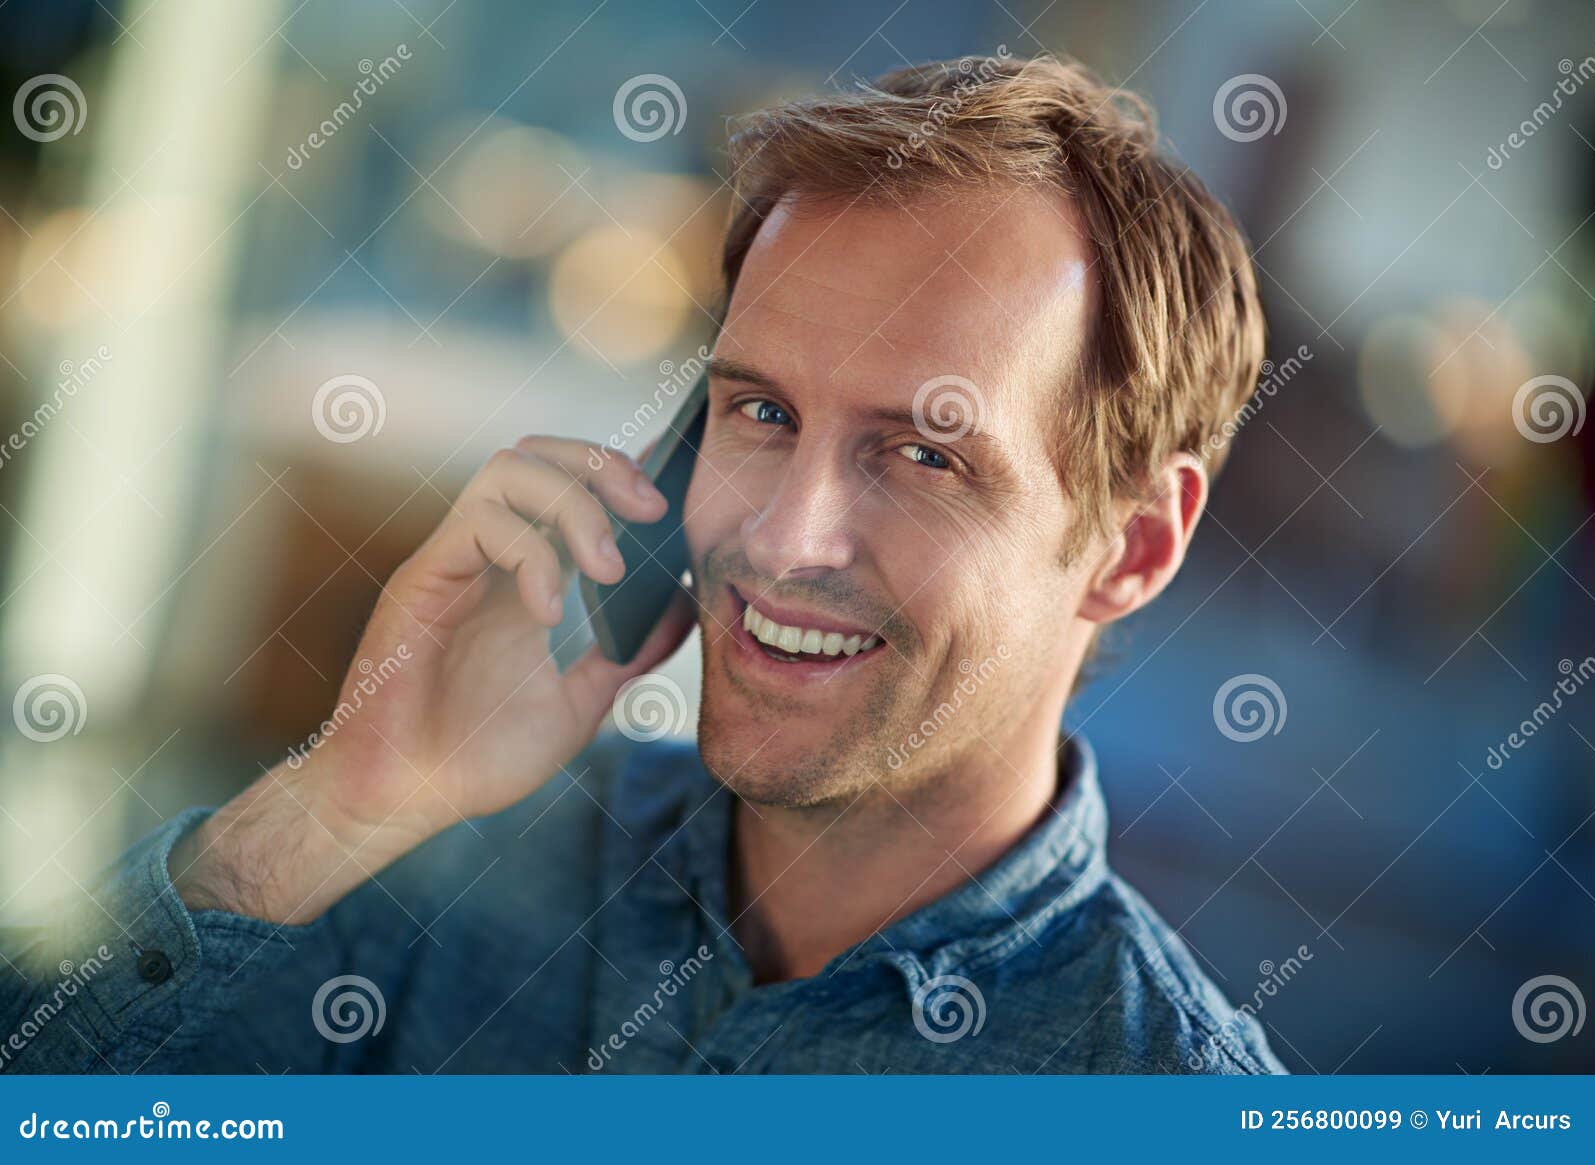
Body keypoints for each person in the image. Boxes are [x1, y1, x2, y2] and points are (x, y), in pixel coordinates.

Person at [0, 52, 1284, 1074]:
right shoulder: (451, 859)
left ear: (1133, 546)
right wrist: (340, 805)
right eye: (761, 412)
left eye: (925, 455)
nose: (782, 538)